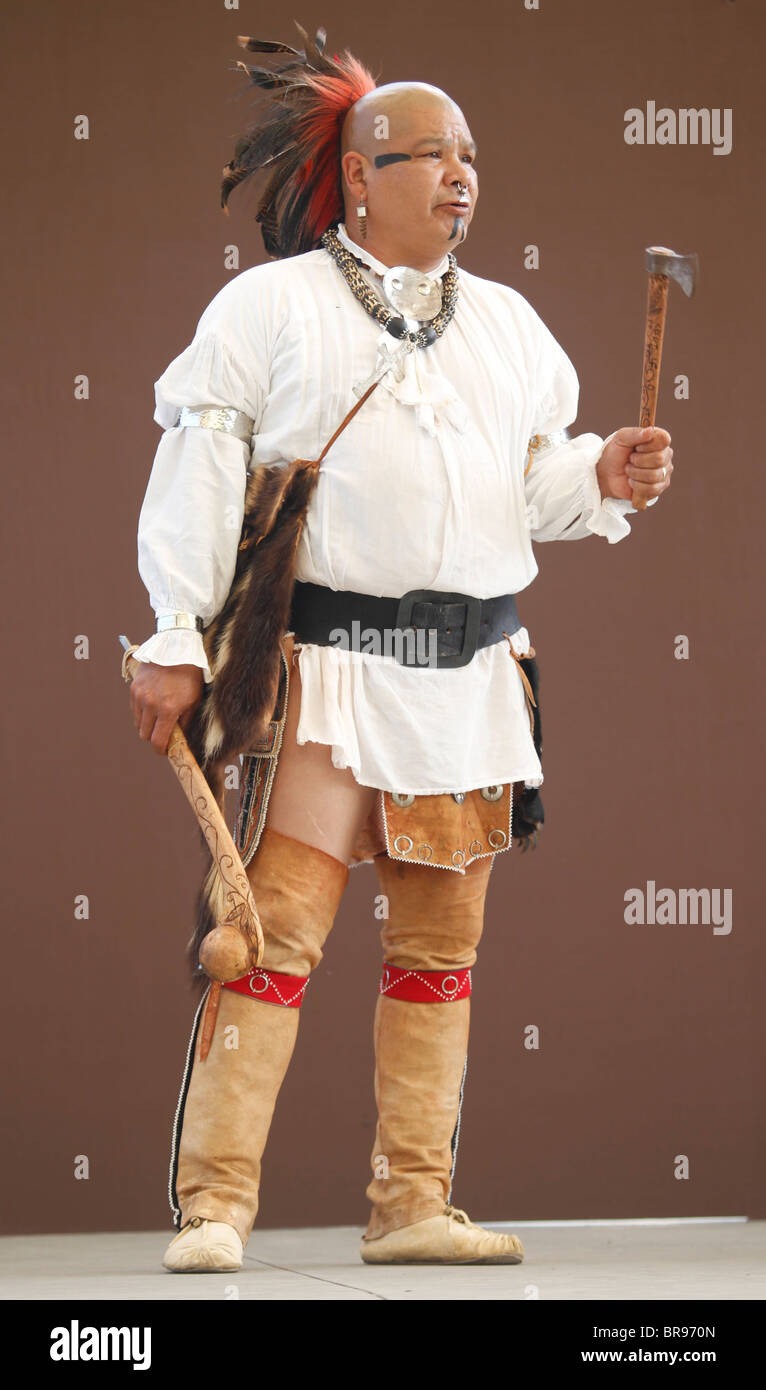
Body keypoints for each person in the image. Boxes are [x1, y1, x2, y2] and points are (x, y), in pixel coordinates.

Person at [128, 27, 673, 1272]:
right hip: (323, 679)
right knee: (266, 936)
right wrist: (172, 632)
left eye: (469, 154)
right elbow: (201, 476)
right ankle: (214, 1206)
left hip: (467, 680)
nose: (458, 173)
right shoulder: (267, 309)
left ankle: (412, 1202)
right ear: (360, 175)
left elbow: (528, 490)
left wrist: (598, 470)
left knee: (440, 950)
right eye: (424, 152)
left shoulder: (511, 327)